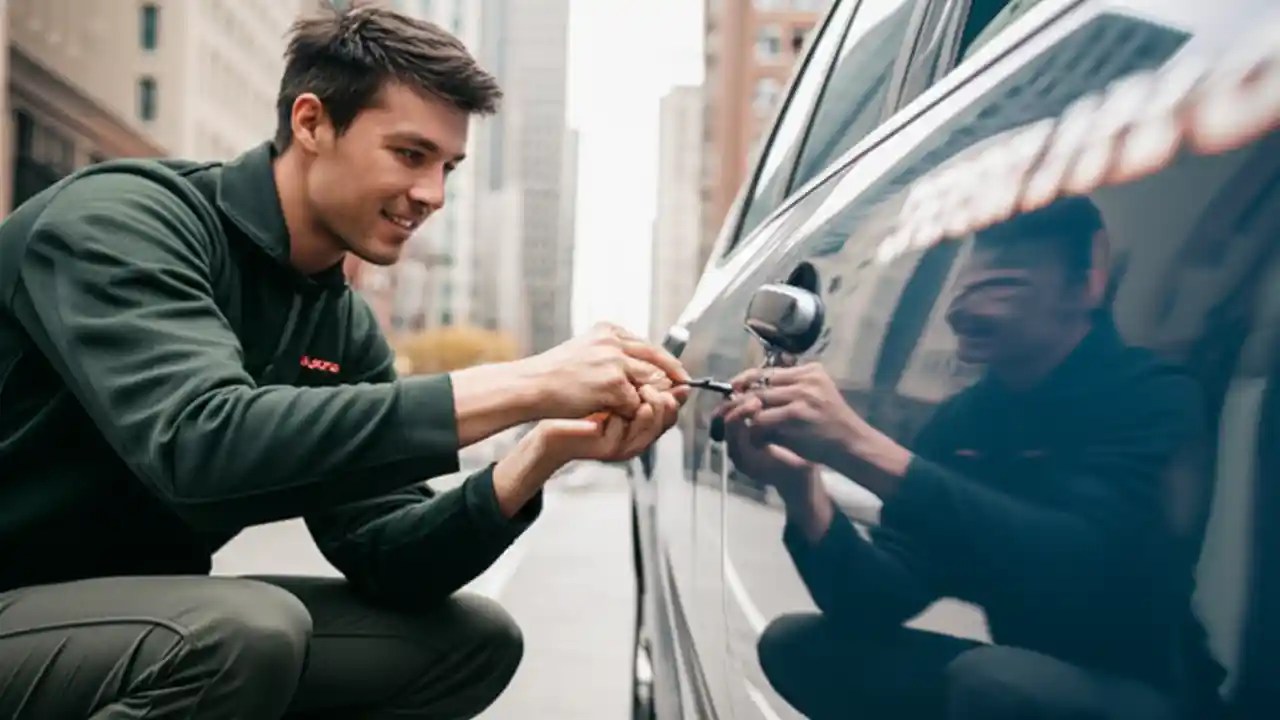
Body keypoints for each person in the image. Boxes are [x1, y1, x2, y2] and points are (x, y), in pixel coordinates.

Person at [0, 5, 688, 719]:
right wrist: (527, 382)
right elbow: (199, 441)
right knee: (246, 633)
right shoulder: (123, 222)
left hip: (125, 620)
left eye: (448, 167)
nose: (433, 195)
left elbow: (390, 557)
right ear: (311, 123)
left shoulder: (337, 324)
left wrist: (540, 452)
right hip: (16, 603)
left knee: (469, 641)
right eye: (410, 154)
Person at [721, 197, 1224, 719]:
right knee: (797, 646)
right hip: (1021, 680)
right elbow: (876, 600)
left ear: (1087, 284)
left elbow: (1088, 571)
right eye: (965, 286)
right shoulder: (966, 420)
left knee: (992, 683)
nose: (969, 308)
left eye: (1003, 284)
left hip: (1153, 692)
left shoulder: (1155, 398)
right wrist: (802, 489)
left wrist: (859, 447)